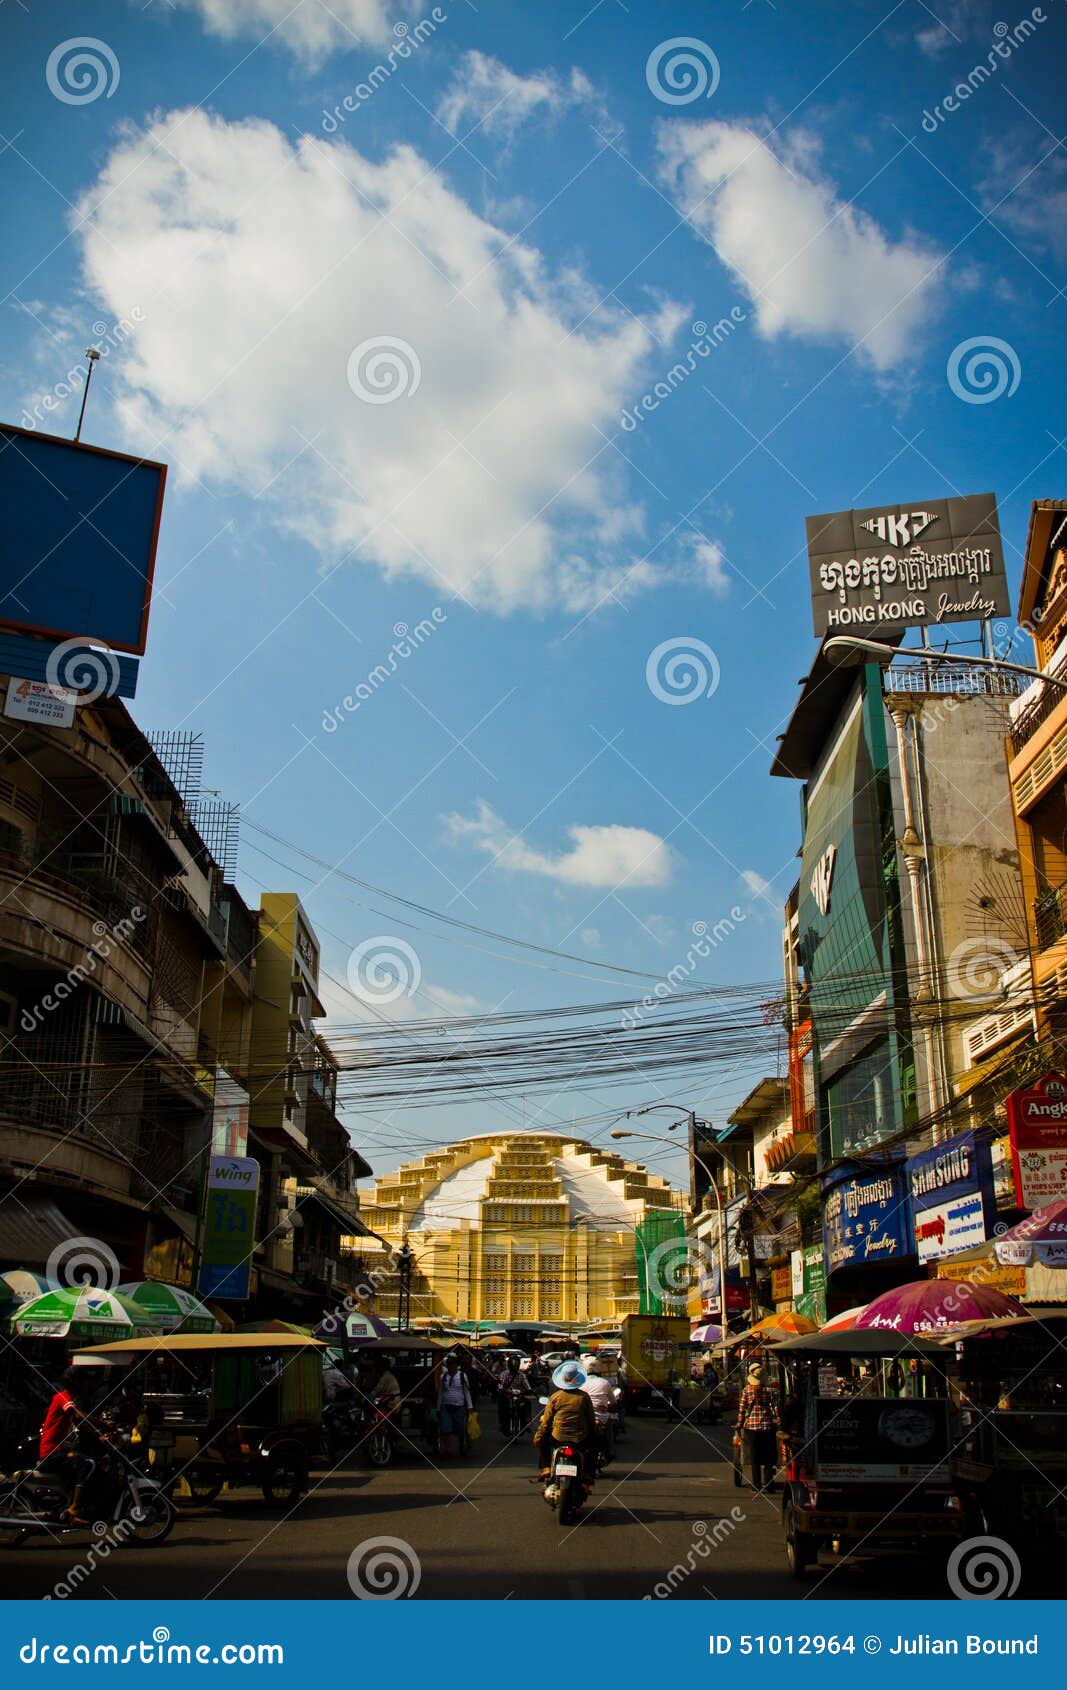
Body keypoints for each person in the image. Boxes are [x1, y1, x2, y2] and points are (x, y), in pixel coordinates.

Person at [38, 1369, 95, 1524]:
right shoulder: (63, 1397)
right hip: (51, 1453)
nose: (86, 1384)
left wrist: (99, 1436)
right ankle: (74, 1508)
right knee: (87, 1464)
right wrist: (103, 1424)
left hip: (57, 1451)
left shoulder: (66, 1398)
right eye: (82, 1380)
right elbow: (77, 1416)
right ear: (73, 1381)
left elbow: (79, 1424)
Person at [534, 1360, 598, 1482]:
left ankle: (546, 1467)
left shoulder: (555, 1397)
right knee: (596, 1444)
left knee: (542, 1440)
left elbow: (546, 1422)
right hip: (580, 1439)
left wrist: (538, 1436)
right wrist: (594, 1431)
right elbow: (591, 1420)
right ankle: (588, 1473)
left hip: (558, 1438)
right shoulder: (583, 1397)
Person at [734, 1361, 780, 1494]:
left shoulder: (747, 1390)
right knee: (769, 1457)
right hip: (768, 1427)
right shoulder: (769, 1390)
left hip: (751, 1428)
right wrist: (777, 1420)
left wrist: (739, 1423)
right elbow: (775, 1409)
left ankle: (757, 1485)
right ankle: (769, 1484)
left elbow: (742, 1410)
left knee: (755, 1457)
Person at [437, 1353, 473, 1454]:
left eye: (453, 1366)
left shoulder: (462, 1376)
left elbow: (467, 1391)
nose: (451, 1368)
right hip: (446, 1405)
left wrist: (470, 1406)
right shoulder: (443, 1377)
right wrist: (438, 1407)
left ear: (456, 1366)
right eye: (449, 1366)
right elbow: (440, 1392)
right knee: (445, 1428)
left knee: (461, 1428)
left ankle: (461, 1444)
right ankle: (447, 1448)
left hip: (459, 1407)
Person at [496, 1355, 530, 1434]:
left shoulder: (522, 1375)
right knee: (501, 1404)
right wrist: (506, 1390)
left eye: (516, 1365)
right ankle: (502, 1423)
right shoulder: (504, 1374)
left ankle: (526, 1422)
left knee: (528, 1403)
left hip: (519, 1396)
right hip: (507, 1396)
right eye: (513, 1365)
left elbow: (527, 1386)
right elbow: (501, 1386)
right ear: (509, 1365)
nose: (514, 1367)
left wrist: (526, 1391)